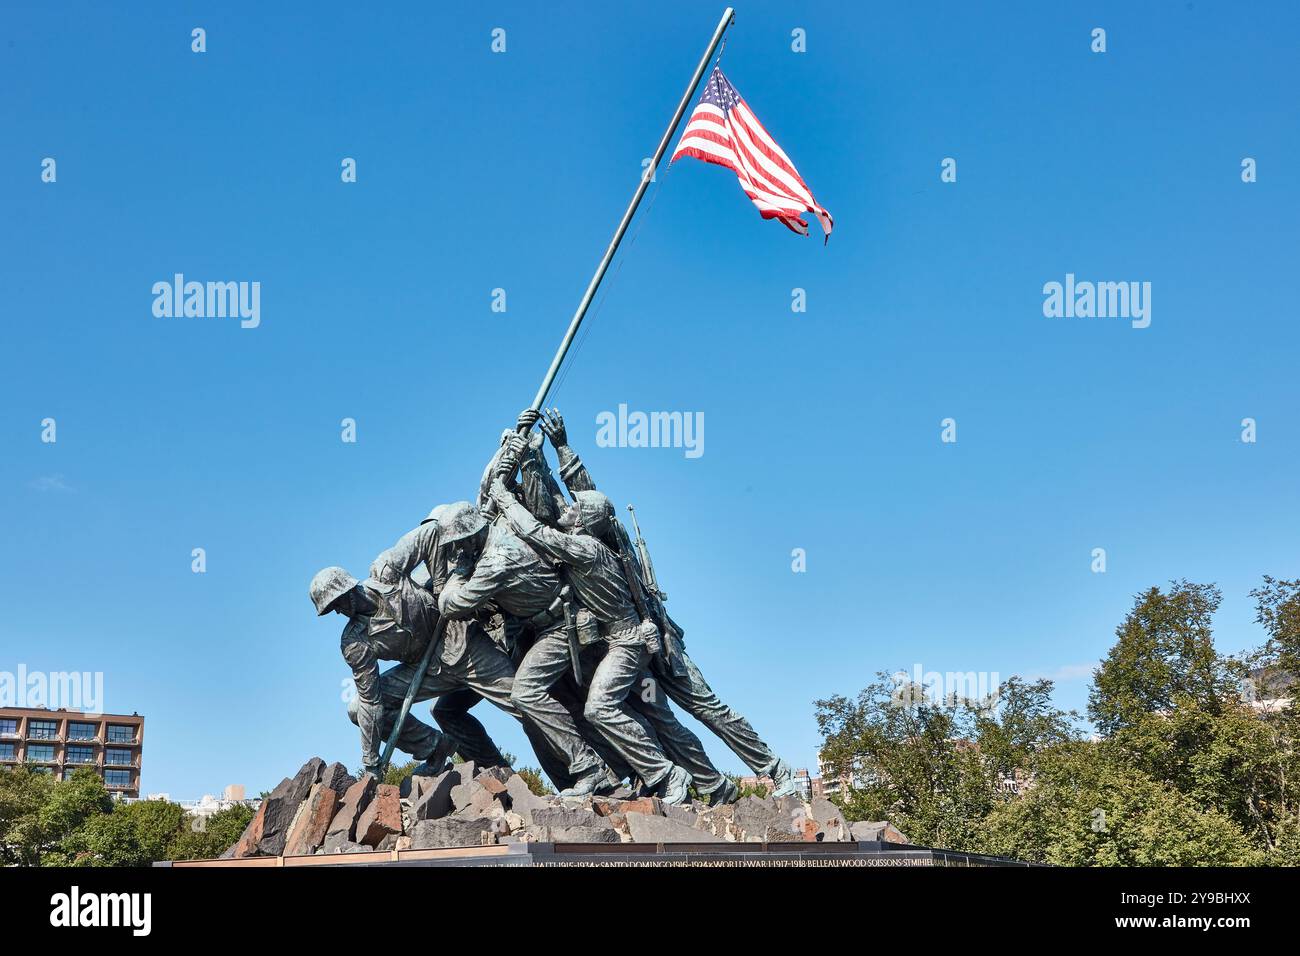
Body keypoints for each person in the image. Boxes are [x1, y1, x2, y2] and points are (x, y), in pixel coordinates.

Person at [533, 407, 799, 800]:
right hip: (632, 648)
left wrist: (563, 448)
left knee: (706, 707)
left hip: (663, 644)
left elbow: (588, 495)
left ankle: (775, 768)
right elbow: (565, 504)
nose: (569, 512)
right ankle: (713, 783)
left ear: (590, 522)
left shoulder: (611, 537)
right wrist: (538, 458)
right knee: (662, 718)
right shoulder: (586, 535)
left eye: (578, 511)